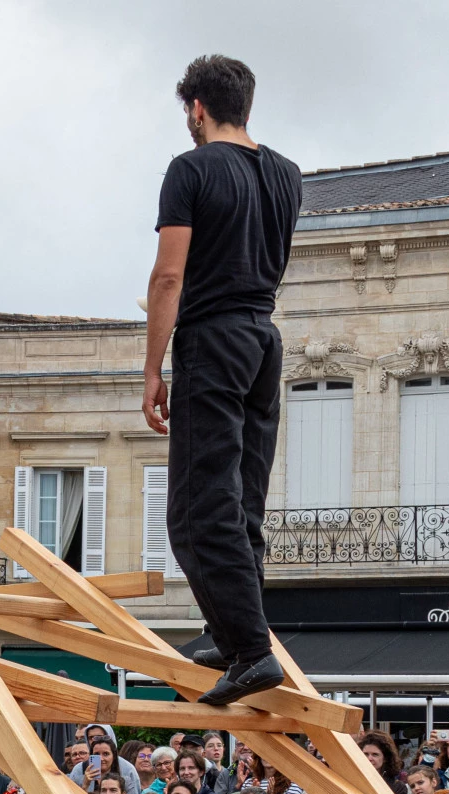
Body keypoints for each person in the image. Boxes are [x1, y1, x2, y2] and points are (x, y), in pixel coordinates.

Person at [139, 54, 301, 703]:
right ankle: (230, 634)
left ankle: (252, 651)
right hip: (264, 340)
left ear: (197, 108)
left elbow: (168, 277)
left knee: (196, 512)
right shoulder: (287, 174)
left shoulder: (191, 169)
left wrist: (152, 368)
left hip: (213, 339)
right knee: (241, 504)